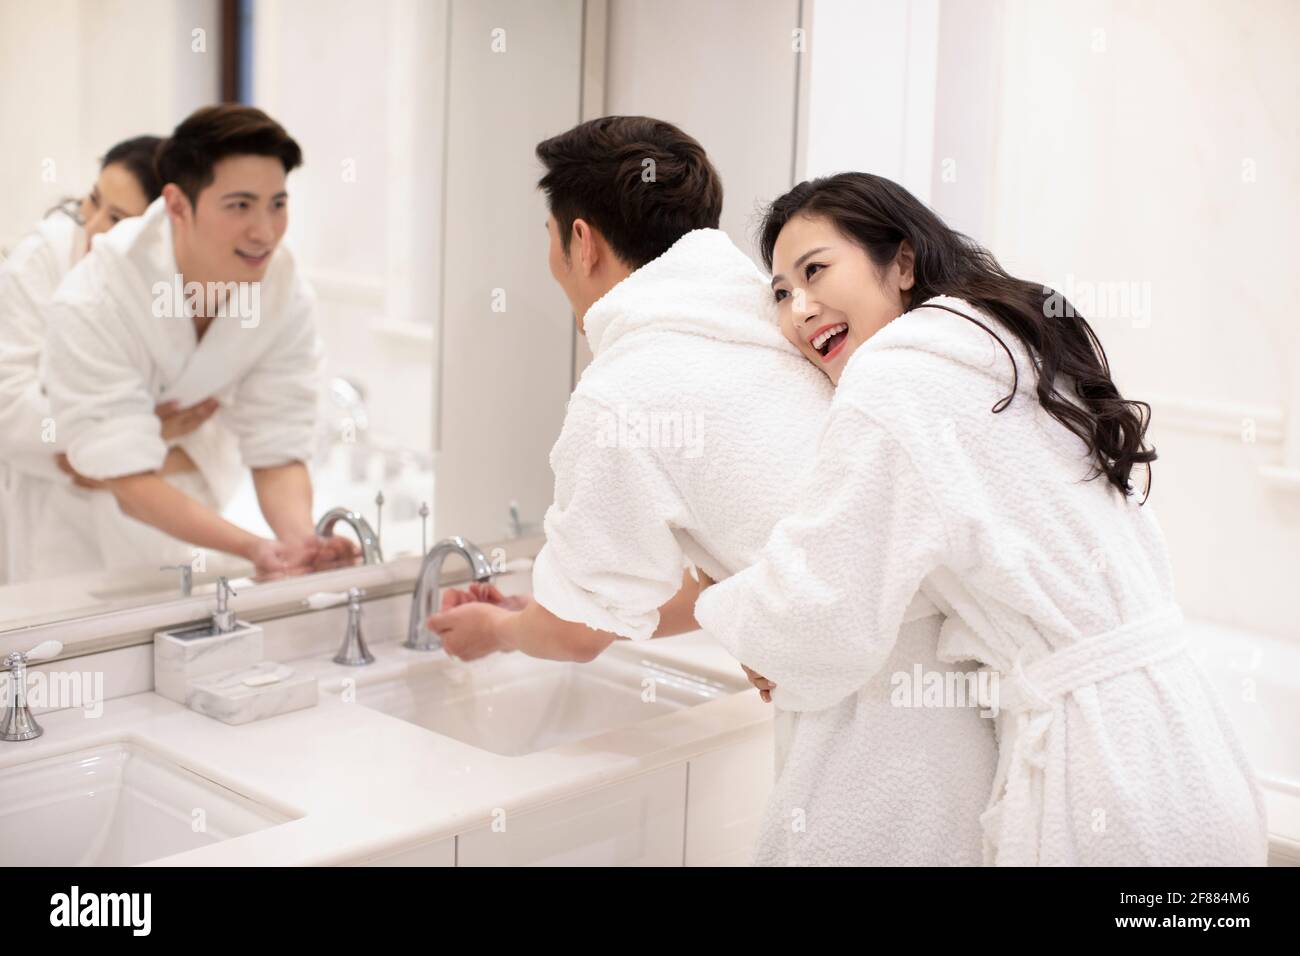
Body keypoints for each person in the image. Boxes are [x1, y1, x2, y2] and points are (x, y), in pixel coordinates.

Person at [429, 118, 996, 865]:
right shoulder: (785, 317)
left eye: (548, 238)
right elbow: (746, 558)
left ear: (581, 240)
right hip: (969, 693)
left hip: (878, 729)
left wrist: (500, 632)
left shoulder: (622, 393)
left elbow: (581, 631)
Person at [692, 171, 1269, 866]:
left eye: (816, 270)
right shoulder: (1011, 347)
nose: (799, 308)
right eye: (781, 293)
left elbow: (826, 604)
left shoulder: (895, 380)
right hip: (1192, 750)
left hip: (1102, 783)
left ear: (901, 262)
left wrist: (732, 617)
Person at [41, 104, 355, 579]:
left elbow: (278, 443)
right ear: (177, 205)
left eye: (278, 203)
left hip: (193, 513)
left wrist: (301, 543)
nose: (265, 232)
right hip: (82, 525)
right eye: (240, 206)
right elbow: (124, 473)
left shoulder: (282, 290)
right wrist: (254, 548)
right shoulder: (95, 299)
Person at [0, 135, 233, 583]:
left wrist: (113, 460)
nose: (92, 228)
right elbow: (9, 405)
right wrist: (143, 430)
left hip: (157, 529)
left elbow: (221, 427)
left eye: (117, 218)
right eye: (93, 201)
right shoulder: (42, 262)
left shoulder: (194, 287)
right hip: (54, 522)